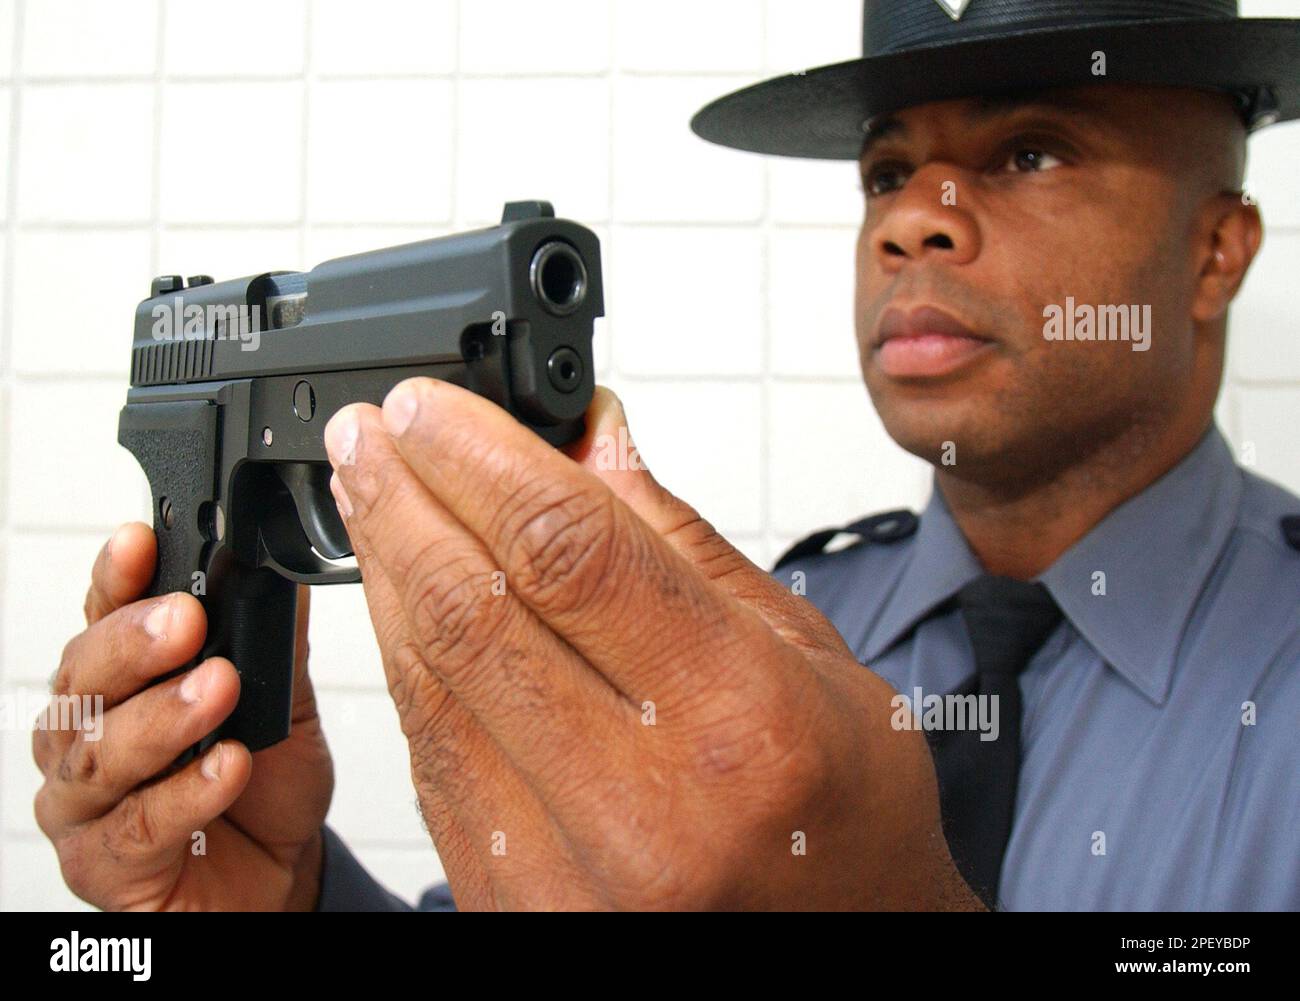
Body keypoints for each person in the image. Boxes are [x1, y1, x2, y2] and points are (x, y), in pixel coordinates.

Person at [35, 0, 1299, 911]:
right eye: (887, 170)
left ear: (1218, 249)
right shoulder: (783, 628)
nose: (915, 218)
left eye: (1030, 151)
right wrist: (290, 896)